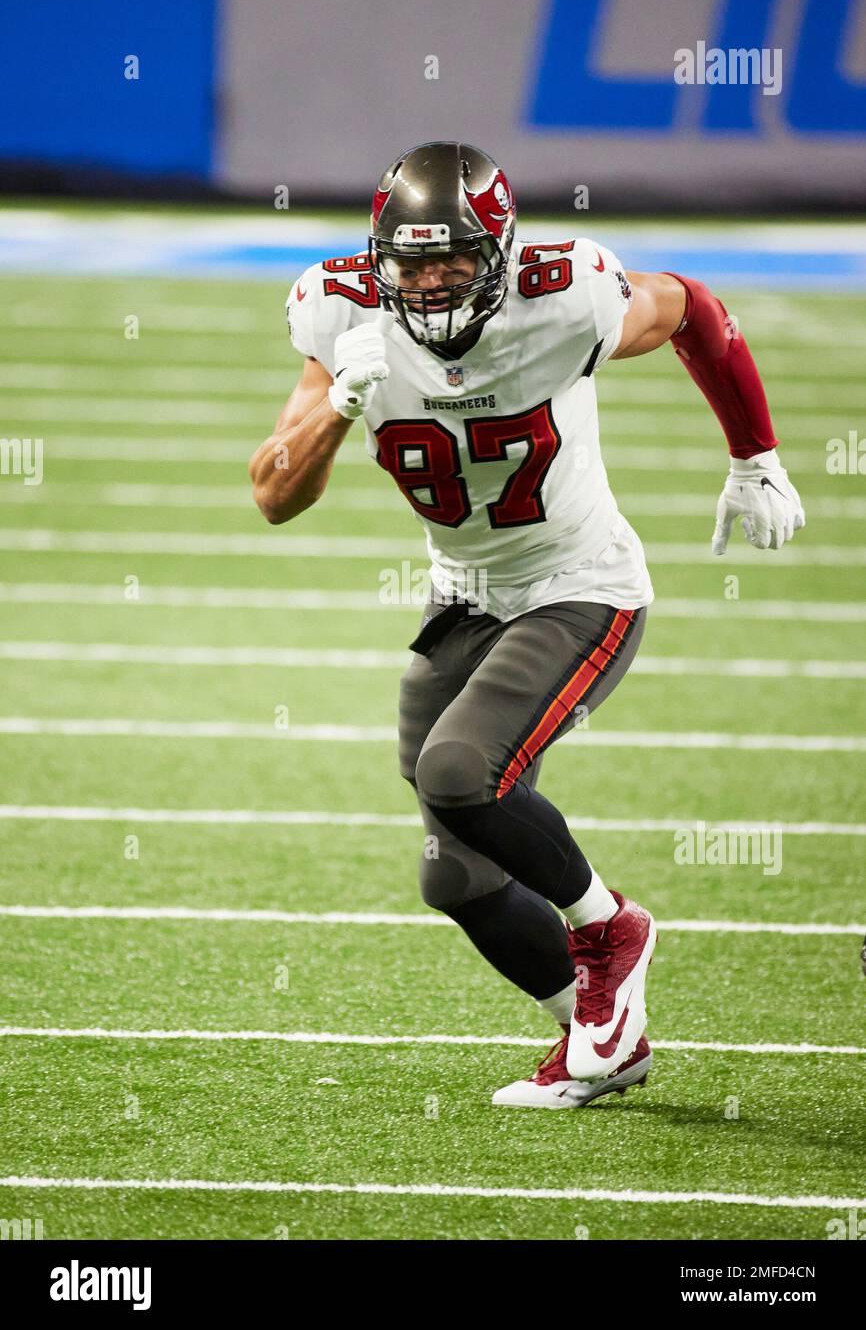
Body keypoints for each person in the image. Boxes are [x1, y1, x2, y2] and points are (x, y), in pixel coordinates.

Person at [249, 142, 805, 1109]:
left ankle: (609, 930)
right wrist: (340, 402)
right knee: (455, 878)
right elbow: (273, 495)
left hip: (582, 584)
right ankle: (597, 1035)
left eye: (452, 261)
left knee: (460, 773)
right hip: (465, 597)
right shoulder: (341, 314)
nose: (428, 284)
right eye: (410, 264)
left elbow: (694, 310)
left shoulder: (568, 298)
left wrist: (754, 455)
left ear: (499, 255)